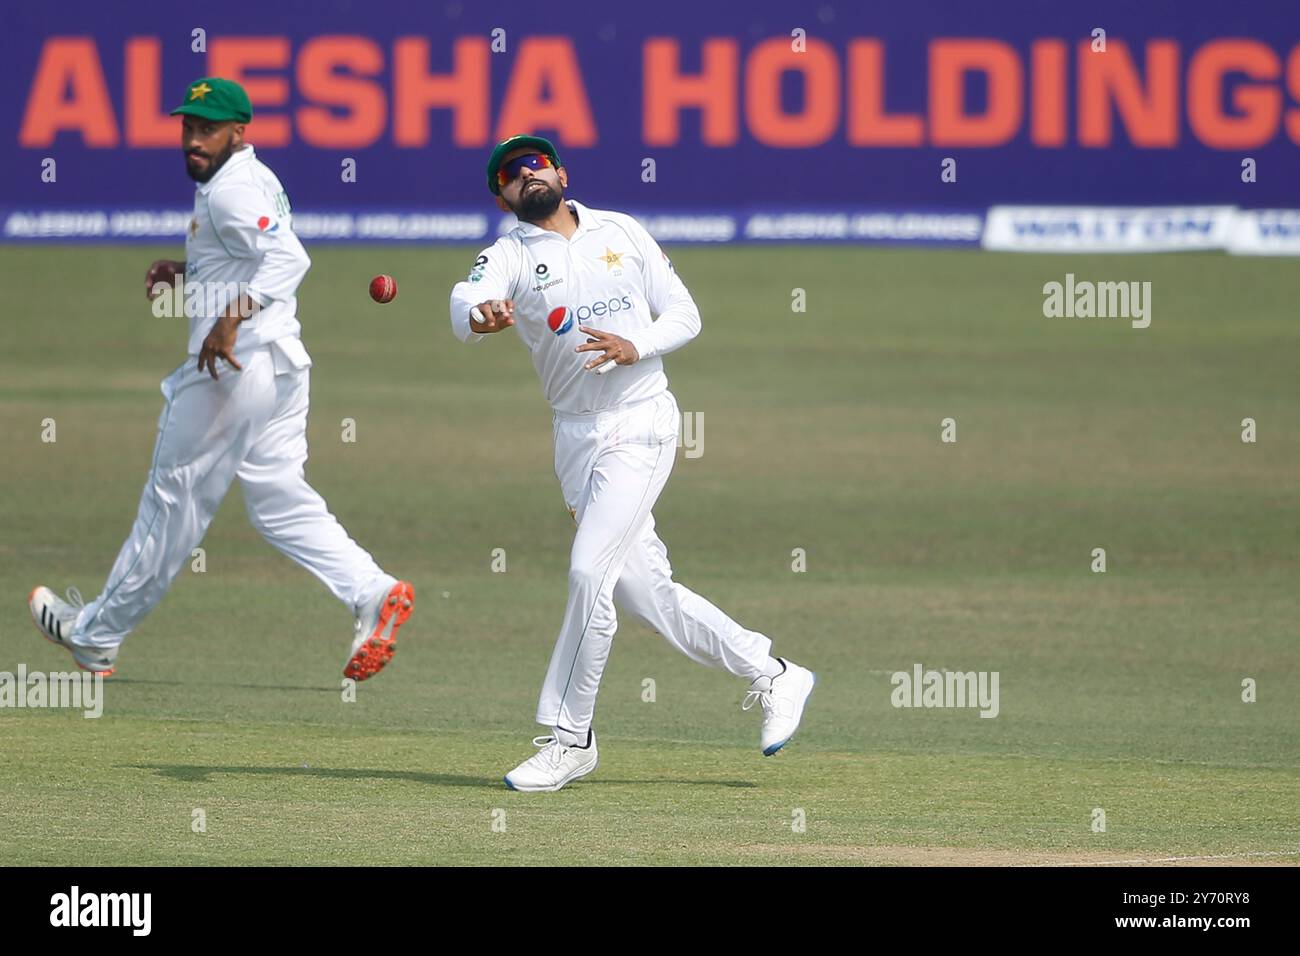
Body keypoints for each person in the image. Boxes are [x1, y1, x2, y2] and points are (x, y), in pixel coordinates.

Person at [448, 134, 816, 793]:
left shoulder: (621, 230)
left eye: (536, 164)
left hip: (641, 425)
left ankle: (568, 739)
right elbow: (464, 301)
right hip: (574, 437)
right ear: (500, 197)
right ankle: (776, 673)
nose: (526, 175)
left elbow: (685, 314)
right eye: (511, 173)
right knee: (648, 596)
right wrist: (482, 315)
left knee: (589, 572)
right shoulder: (507, 253)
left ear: (561, 172)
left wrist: (635, 345)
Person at [28, 77, 413, 681]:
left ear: (239, 131)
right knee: (278, 499)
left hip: (235, 368)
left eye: (207, 128)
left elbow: (291, 258)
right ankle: (372, 591)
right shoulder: (245, 178)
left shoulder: (231, 189)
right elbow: (251, 254)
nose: (193, 139)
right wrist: (191, 272)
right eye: (187, 126)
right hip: (284, 364)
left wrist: (229, 317)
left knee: (170, 504)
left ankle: (97, 634)